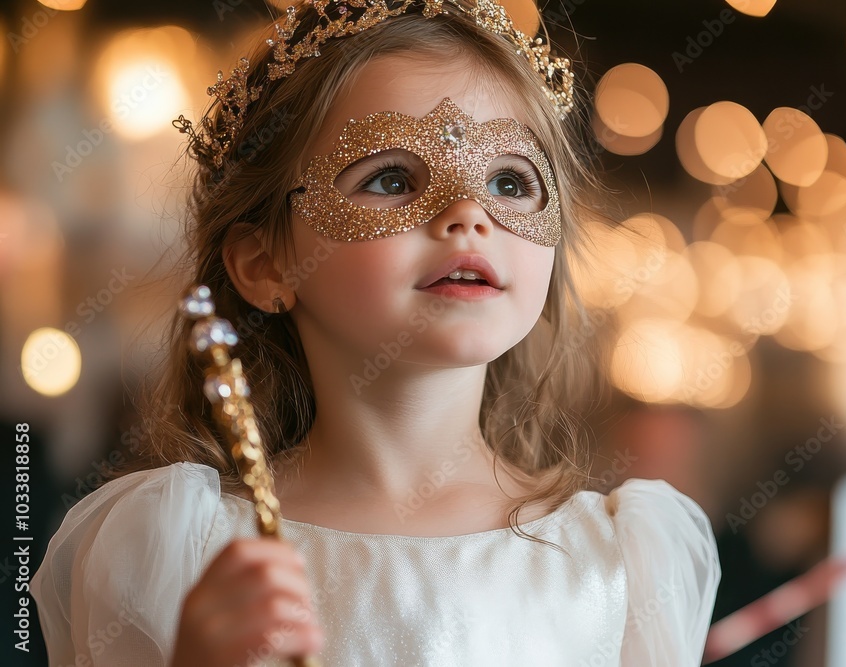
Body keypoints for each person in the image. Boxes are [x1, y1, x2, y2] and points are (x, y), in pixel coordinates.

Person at [29, 2, 721, 665]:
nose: (467, 215)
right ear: (265, 261)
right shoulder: (174, 548)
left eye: (511, 182)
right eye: (391, 177)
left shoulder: (621, 560)